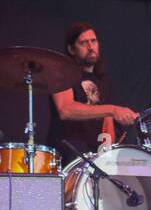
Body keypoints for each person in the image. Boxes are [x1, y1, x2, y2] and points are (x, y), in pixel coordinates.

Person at [48, 23, 138, 160]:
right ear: (71, 49)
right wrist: (113, 110)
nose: (91, 47)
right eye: (83, 43)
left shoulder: (104, 80)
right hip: (69, 153)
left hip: (95, 156)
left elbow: (107, 120)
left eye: (93, 41)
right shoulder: (62, 72)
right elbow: (65, 109)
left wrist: (107, 154)